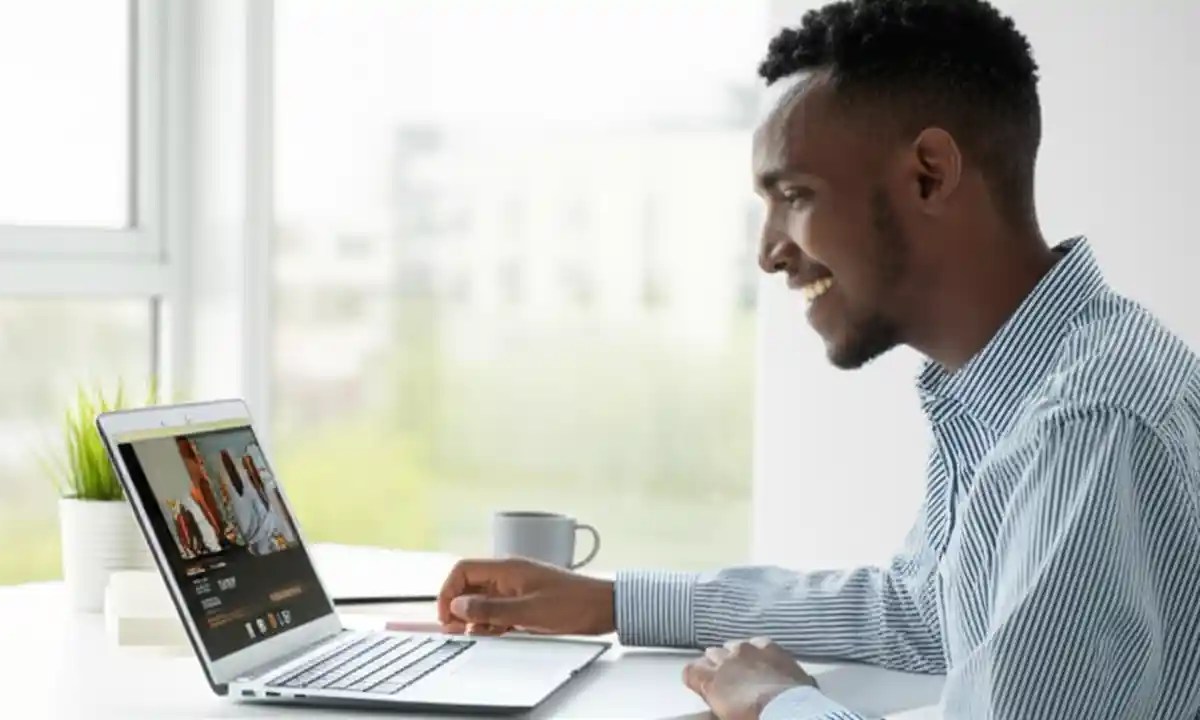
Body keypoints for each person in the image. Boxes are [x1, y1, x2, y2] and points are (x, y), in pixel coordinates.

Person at [435, 1, 1200, 718]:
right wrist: (614, 601)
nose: (769, 253)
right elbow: (923, 609)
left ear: (930, 174)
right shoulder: (1014, 383)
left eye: (793, 193)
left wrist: (782, 704)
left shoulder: (1086, 420)